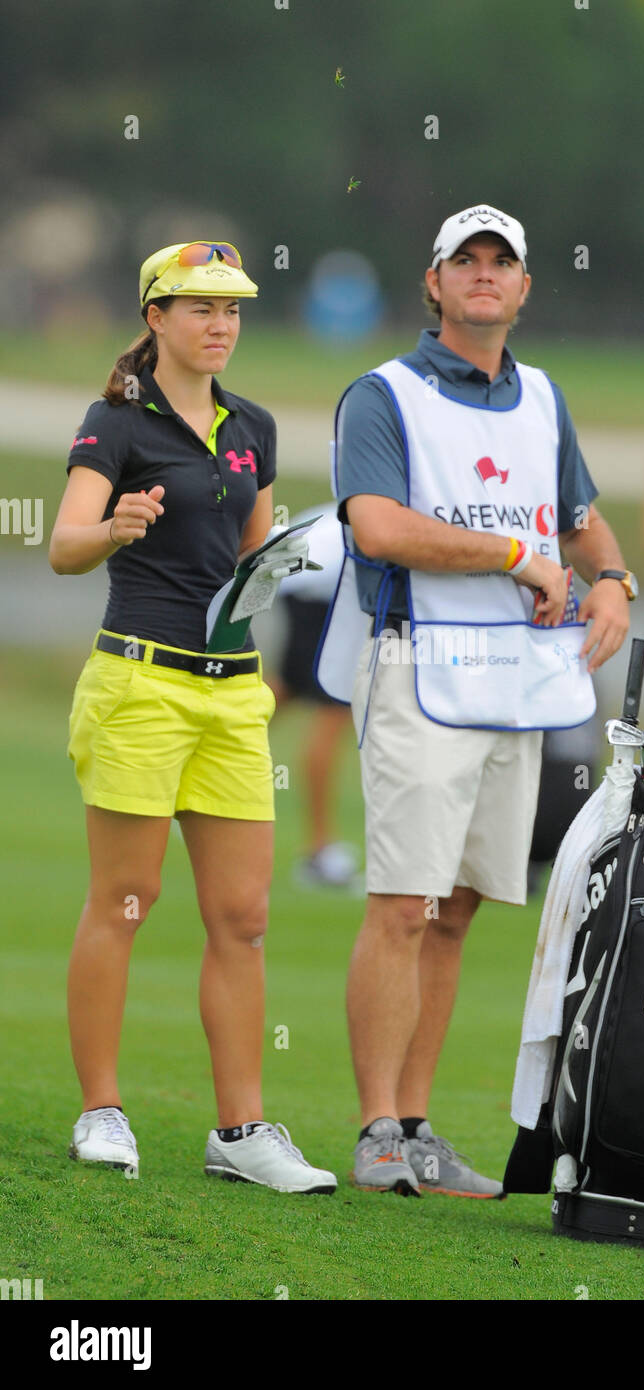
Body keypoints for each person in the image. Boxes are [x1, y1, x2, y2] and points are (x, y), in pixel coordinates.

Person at [316, 204, 636, 1198]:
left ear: (524, 287)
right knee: (402, 904)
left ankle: (414, 1127)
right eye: (467, 260)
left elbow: (576, 518)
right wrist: (512, 555)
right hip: (418, 668)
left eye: (502, 262)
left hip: (516, 681)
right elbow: (373, 526)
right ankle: (374, 1129)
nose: (485, 274)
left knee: (455, 910)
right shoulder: (382, 395)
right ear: (434, 281)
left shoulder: (541, 396)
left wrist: (615, 576)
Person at [49, 240, 336, 1194]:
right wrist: (115, 528)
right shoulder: (115, 423)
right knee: (128, 900)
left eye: (234, 311)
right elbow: (62, 547)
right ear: (156, 320)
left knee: (245, 917)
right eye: (202, 309)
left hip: (230, 690)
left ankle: (241, 1130)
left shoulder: (251, 424)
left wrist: (290, 556)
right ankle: (101, 1109)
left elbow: (251, 563)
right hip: (140, 683)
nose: (222, 326)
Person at [268, 501, 359, 888]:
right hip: (320, 589)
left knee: (282, 690)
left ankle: (190, 774)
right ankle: (319, 851)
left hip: (302, 579)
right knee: (334, 708)